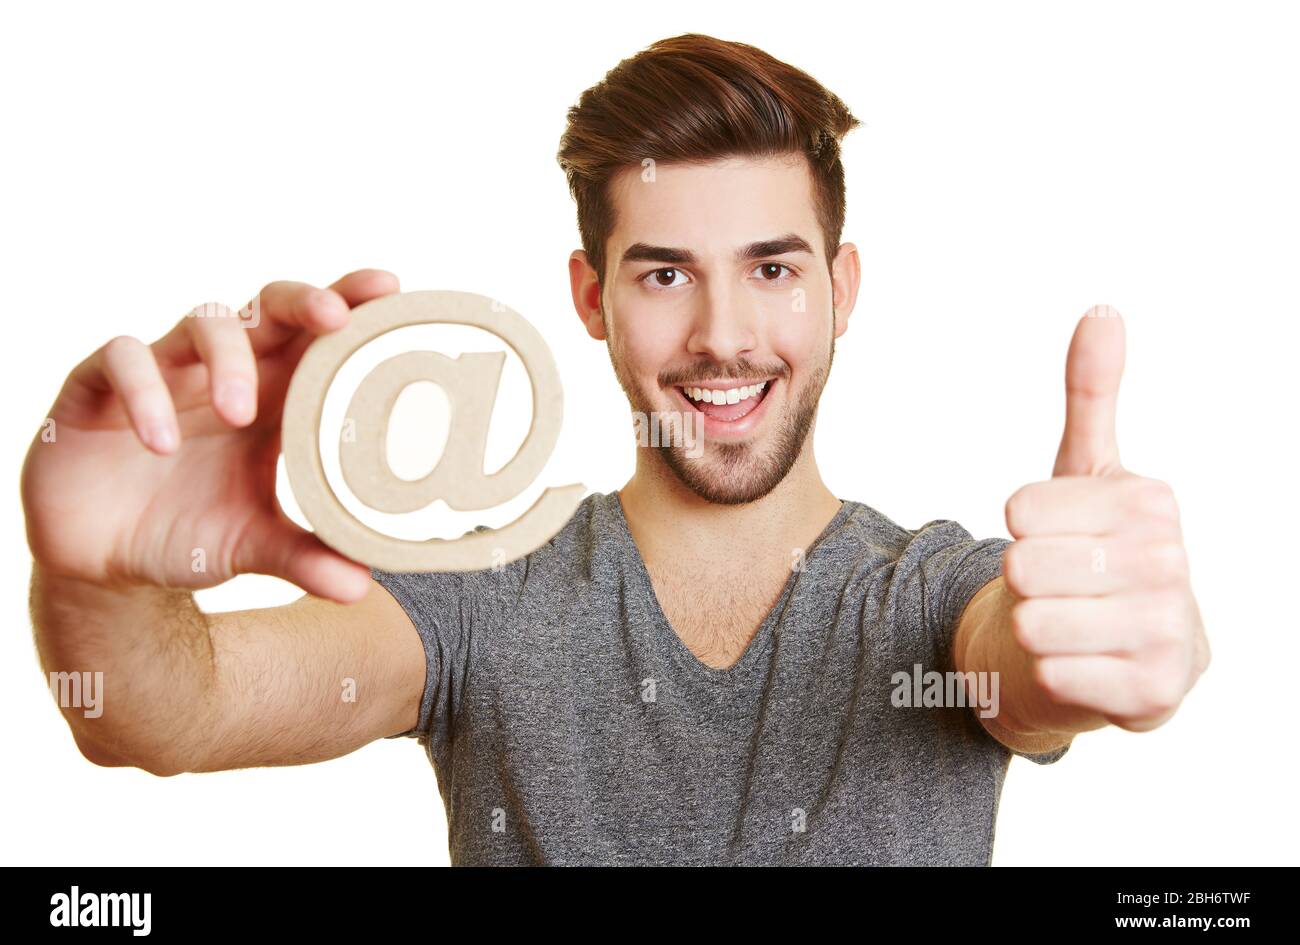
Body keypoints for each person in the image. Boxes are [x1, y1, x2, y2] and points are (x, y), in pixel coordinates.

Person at [21, 33, 1209, 865]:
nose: (723, 335)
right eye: (662, 273)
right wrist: (103, 578)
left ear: (841, 288)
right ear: (590, 296)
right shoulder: (484, 595)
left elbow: (1020, 666)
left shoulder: (933, 594)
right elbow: (164, 713)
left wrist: (1095, 647)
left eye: (773, 268)